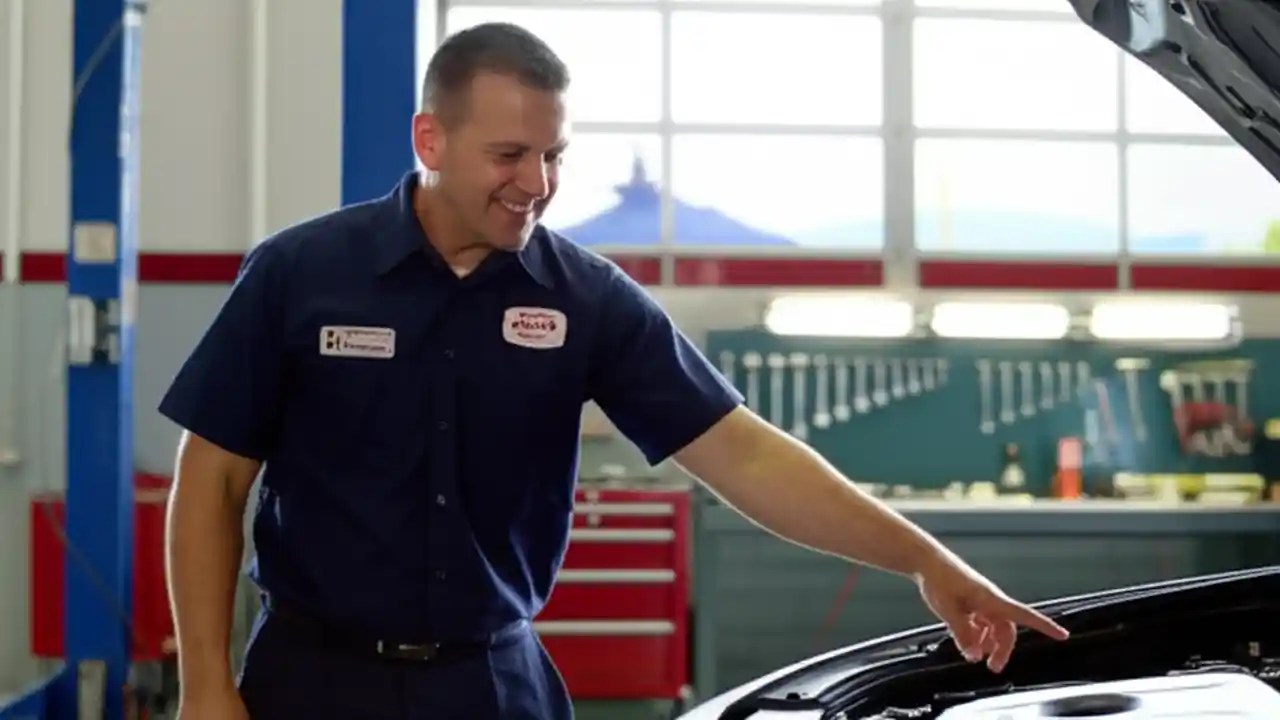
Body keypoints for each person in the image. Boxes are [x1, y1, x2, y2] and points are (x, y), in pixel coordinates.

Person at [160, 21, 1069, 720]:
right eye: (509, 155)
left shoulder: (587, 299)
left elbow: (744, 454)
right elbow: (213, 479)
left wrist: (926, 561)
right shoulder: (301, 274)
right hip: (311, 679)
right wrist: (205, 684)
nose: (537, 183)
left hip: (492, 683)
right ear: (430, 140)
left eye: (554, 155)